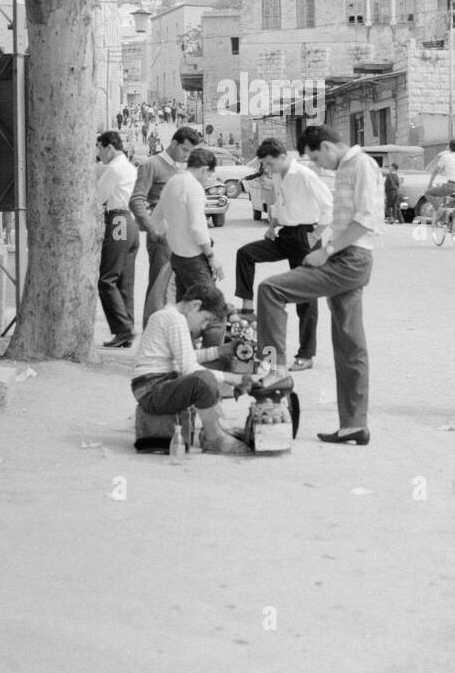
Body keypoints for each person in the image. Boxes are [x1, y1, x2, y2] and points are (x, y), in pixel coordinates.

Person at [256, 125, 381, 446]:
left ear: (327, 146)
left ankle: (275, 367)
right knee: (349, 341)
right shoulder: (347, 167)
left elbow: (366, 219)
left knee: (271, 289)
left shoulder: (362, 165)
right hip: (344, 257)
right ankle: (354, 424)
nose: (319, 165)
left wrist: (324, 251)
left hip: (350, 259)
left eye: (316, 157)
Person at [233, 140, 333, 371]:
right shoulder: (279, 174)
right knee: (246, 254)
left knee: (305, 299)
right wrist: (272, 226)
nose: (267, 168)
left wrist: (315, 235)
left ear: (280, 156)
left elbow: (328, 207)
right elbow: (279, 204)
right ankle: (247, 306)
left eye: (269, 163)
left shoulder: (305, 175)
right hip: (286, 234)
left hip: (306, 236)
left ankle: (306, 355)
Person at [130, 284, 245, 454]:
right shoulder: (174, 318)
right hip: (151, 389)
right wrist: (232, 378)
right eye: (206, 319)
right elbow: (190, 368)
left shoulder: (170, 316)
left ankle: (216, 428)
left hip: (158, 384)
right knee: (203, 380)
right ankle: (214, 438)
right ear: (195, 306)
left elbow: (189, 356)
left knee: (211, 374)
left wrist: (221, 351)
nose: (205, 326)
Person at [129, 126, 202, 326]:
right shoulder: (152, 164)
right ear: (174, 143)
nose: (187, 155)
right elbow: (136, 200)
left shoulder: (182, 168)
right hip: (162, 238)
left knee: (177, 288)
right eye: (185, 150)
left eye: (190, 152)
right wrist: (153, 230)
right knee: (159, 288)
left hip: (182, 239)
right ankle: (151, 332)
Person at [156, 146, 224, 298]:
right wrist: (212, 257)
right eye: (209, 175)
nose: (208, 179)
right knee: (211, 303)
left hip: (176, 256)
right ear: (204, 169)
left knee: (186, 304)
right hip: (193, 257)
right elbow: (197, 228)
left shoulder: (173, 181)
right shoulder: (194, 187)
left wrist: (173, 235)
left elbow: (157, 217)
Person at [95, 130, 139, 348]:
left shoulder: (113, 168)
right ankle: (127, 326)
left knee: (106, 279)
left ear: (109, 147)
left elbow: (98, 197)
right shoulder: (129, 166)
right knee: (125, 281)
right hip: (129, 223)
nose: (99, 154)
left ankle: (122, 329)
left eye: (100, 149)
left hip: (117, 221)